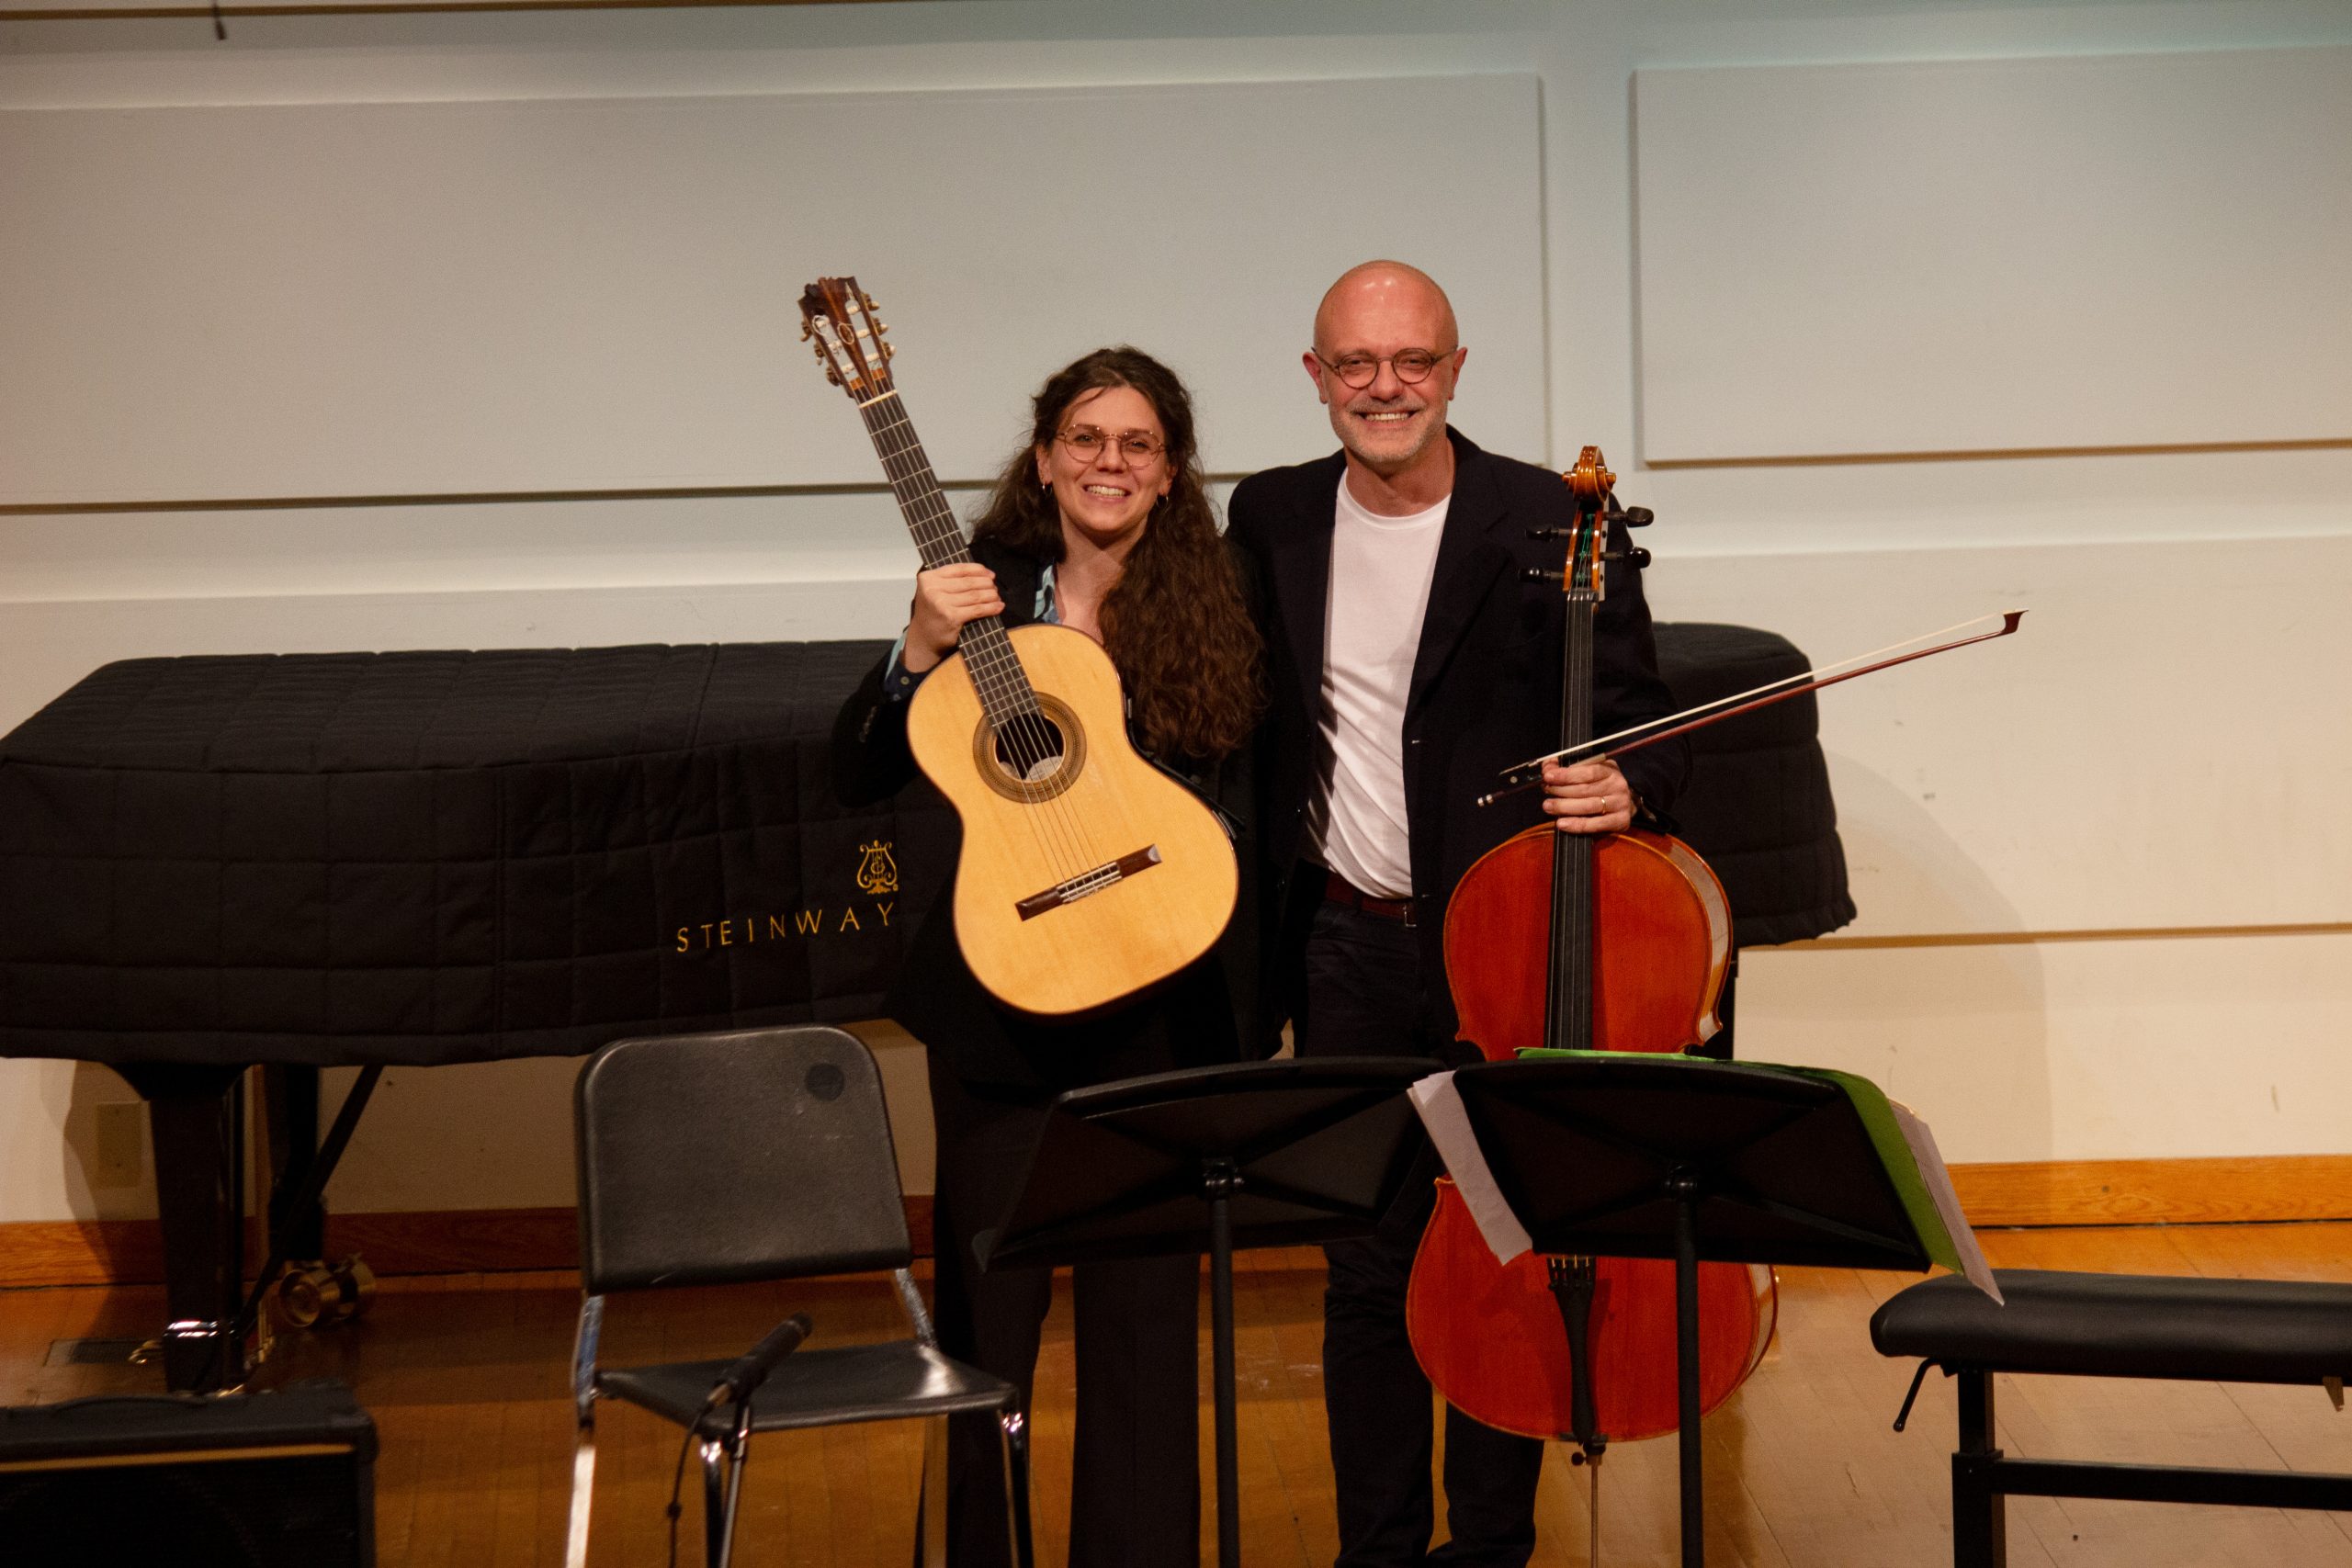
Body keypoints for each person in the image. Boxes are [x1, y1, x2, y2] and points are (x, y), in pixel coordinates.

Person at [1226, 262, 1691, 1568]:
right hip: (1345, 946)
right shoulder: (1268, 518)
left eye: (1413, 361)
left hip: (1508, 951)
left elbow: (1653, 730)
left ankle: (1492, 1548)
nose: (1386, 387)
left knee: (1503, 1248)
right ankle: (1376, 1551)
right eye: (1357, 364)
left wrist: (1627, 779)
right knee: (1366, 1268)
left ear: (1456, 368)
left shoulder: (1551, 515)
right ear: (1316, 376)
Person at [833, 345, 1266, 1568]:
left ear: (1171, 470)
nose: (1108, 463)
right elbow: (856, 771)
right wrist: (916, 649)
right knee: (987, 1337)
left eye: (1135, 444)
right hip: (1003, 1009)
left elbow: (1256, 796)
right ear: (1043, 457)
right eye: (1086, 438)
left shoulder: (1220, 594)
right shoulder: (982, 590)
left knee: (1144, 1342)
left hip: (1158, 1004)